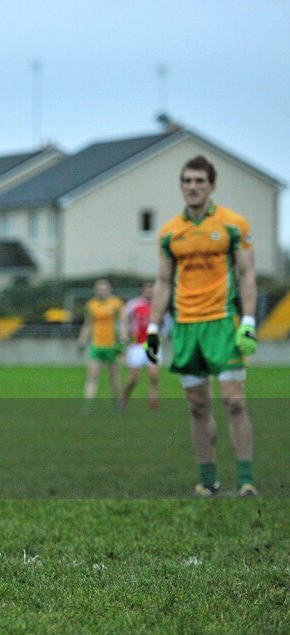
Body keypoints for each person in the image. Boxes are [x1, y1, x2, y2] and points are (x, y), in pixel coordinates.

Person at [145, 155, 258, 497]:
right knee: (197, 406)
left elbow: (247, 274)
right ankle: (208, 480)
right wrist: (152, 328)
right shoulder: (169, 232)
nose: (193, 187)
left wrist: (249, 321)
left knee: (234, 402)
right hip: (185, 327)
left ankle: (246, 480)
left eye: (199, 181)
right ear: (181, 185)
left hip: (224, 324)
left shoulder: (233, 225)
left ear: (212, 186)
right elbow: (163, 282)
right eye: (187, 181)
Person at [77, 278, 127, 412]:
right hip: (96, 344)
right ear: (95, 291)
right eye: (99, 289)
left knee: (114, 377)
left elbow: (122, 322)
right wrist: (82, 339)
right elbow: (88, 324)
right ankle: (87, 405)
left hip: (112, 345)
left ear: (109, 290)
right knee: (92, 374)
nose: (101, 291)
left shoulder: (116, 303)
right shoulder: (91, 305)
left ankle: (118, 403)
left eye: (104, 288)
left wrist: (123, 337)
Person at [119, 281, 168, 410]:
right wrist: (125, 333)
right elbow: (124, 317)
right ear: (142, 291)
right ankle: (123, 400)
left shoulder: (158, 306)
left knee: (154, 377)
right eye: (146, 289)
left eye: (151, 289)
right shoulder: (134, 305)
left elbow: (165, 322)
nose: (149, 292)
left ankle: (153, 406)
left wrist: (164, 333)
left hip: (153, 344)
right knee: (133, 379)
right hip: (137, 345)